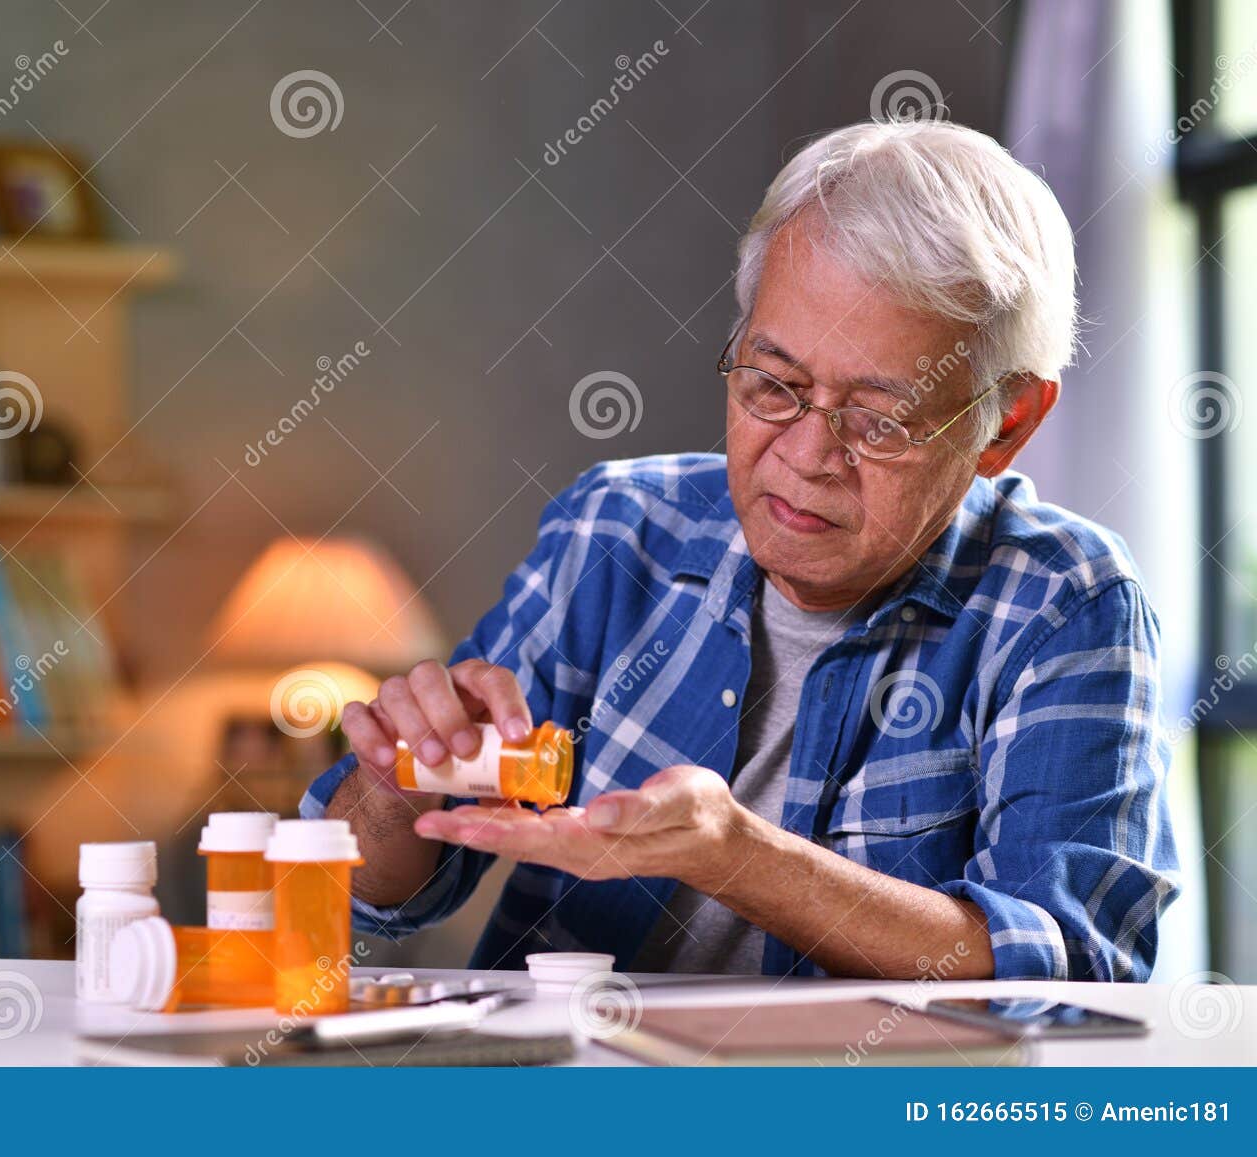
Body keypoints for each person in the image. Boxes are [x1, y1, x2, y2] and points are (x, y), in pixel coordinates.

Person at [300, 118, 1180, 981]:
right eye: (773, 383)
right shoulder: (616, 530)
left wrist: (736, 854)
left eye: (876, 420)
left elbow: (1069, 963)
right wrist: (398, 783)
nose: (804, 457)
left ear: (1006, 423)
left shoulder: (1065, 602)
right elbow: (366, 891)